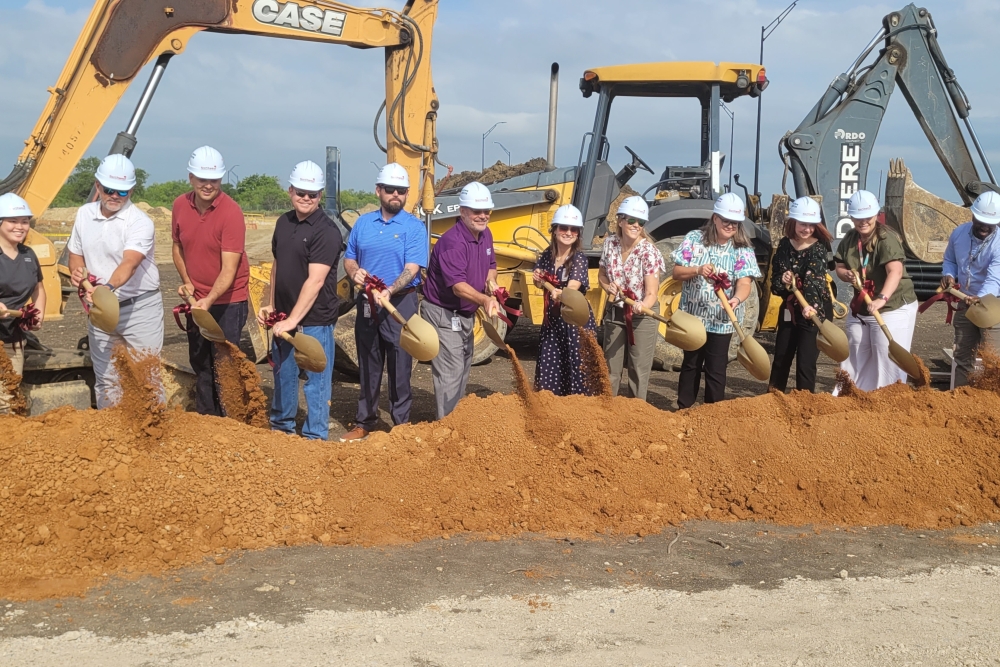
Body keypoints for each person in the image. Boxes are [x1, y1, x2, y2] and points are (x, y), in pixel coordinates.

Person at [68, 153, 163, 409]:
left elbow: (129, 264)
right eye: (109, 189)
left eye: (122, 192)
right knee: (107, 378)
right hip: (100, 308)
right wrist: (77, 272)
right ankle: (112, 437)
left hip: (139, 309)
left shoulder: (140, 222)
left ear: (131, 190)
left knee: (147, 376)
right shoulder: (84, 214)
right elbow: (75, 254)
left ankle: (156, 436)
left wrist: (106, 289)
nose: (115, 196)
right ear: (97, 186)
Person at [340, 163, 427, 442]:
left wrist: (389, 290)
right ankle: (364, 420)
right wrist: (354, 272)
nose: (395, 195)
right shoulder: (363, 224)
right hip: (368, 302)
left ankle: (401, 424)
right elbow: (350, 257)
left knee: (400, 365)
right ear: (378, 190)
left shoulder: (414, 227)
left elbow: (413, 267)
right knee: (368, 362)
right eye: (390, 189)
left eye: (401, 191)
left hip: (399, 302)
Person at [257, 160, 342, 440]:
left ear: (320, 195)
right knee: (284, 376)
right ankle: (282, 428)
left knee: (316, 380)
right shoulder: (283, 222)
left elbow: (315, 281)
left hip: (314, 321)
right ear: (290, 190)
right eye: (301, 192)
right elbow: (278, 265)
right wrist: (272, 304)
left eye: (313, 194)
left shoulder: (326, 231)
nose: (306, 198)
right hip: (284, 318)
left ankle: (315, 435)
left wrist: (293, 320)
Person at [171, 146, 250, 416]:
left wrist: (209, 300)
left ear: (221, 179)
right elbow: (176, 246)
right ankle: (207, 421)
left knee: (224, 363)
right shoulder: (180, 205)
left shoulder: (231, 213)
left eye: (214, 180)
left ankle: (231, 421)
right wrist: (187, 281)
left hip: (227, 301)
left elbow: (229, 268)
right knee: (201, 360)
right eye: (202, 179)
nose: (208, 185)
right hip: (198, 300)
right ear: (191, 178)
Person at [672, 192, 761, 408]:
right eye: (726, 220)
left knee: (716, 367)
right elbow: (676, 272)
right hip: (693, 317)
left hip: (722, 319)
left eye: (735, 222)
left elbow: (744, 283)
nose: (730, 226)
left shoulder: (743, 249)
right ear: (715, 218)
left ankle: (713, 412)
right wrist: (697, 269)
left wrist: (736, 300)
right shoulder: (694, 239)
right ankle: (684, 407)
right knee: (691, 364)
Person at [423, 181, 501, 419]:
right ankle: (447, 424)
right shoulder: (452, 242)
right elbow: (457, 287)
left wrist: (491, 283)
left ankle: (455, 419)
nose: (482, 215)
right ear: (462, 211)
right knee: (451, 369)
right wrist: (485, 300)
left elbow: (491, 266)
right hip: (444, 312)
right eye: (476, 211)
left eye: (486, 210)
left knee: (464, 365)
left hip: (464, 313)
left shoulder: (485, 233)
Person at [833, 189, 918, 392]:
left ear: (876, 215)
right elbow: (839, 267)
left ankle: (887, 397)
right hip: (862, 305)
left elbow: (895, 272)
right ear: (852, 217)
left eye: (868, 217)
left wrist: (882, 298)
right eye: (858, 217)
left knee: (884, 351)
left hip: (893, 305)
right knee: (853, 348)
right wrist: (847, 275)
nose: (863, 222)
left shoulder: (886, 238)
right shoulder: (850, 238)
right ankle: (851, 394)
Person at [597, 196, 665, 401]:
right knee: (610, 367)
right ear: (620, 220)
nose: (636, 225)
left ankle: (636, 416)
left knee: (638, 369)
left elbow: (652, 292)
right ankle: (608, 412)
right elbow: (602, 275)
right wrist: (607, 285)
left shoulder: (649, 252)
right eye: (631, 220)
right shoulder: (610, 244)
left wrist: (641, 305)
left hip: (641, 315)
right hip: (616, 311)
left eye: (641, 222)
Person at [767, 196, 833, 393]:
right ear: (793, 222)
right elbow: (775, 285)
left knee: (805, 360)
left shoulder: (819, 248)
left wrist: (810, 306)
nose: (807, 229)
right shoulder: (785, 246)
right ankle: (774, 397)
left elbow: (814, 281)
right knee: (781, 356)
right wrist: (784, 280)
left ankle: (805, 402)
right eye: (803, 224)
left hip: (814, 309)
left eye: (812, 225)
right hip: (791, 308)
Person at [532, 204, 596, 395]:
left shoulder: (579, 258)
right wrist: (537, 279)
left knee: (576, 364)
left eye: (573, 229)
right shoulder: (546, 255)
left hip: (574, 320)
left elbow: (573, 287)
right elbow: (539, 283)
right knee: (551, 363)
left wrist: (559, 292)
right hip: (553, 319)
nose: (568, 232)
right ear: (554, 230)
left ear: (578, 233)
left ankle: (577, 410)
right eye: (563, 228)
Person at [939, 190, 1000, 386]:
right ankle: (960, 397)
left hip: (992, 304)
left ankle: (992, 402)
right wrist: (948, 274)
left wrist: (978, 298)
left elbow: (994, 280)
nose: (983, 226)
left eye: (989, 223)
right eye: (980, 220)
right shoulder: (959, 233)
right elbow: (949, 259)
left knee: (993, 359)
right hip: (965, 301)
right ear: (972, 215)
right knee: (962, 356)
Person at [0, 193, 45, 414]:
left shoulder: (28, 254)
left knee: (8, 397)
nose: (20, 226)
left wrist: (39, 314)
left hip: (13, 339)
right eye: (13, 221)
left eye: (24, 221)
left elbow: (39, 288)